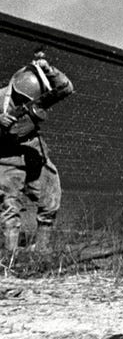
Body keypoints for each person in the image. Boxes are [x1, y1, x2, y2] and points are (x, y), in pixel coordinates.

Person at [0, 52, 74, 255]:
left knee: (51, 196)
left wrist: (50, 71)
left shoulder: (36, 96)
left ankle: (42, 252)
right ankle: (10, 260)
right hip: (6, 157)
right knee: (9, 206)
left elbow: (66, 88)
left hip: (33, 150)